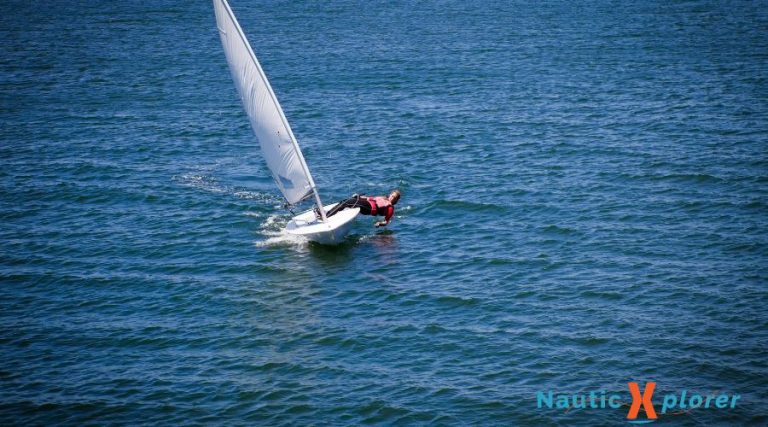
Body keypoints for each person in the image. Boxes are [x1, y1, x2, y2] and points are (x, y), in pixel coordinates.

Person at [320, 190, 401, 227]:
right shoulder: (383, 198)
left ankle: (325, 216)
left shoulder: (390, 207)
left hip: (368, 208)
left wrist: (379, 224)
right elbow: (370, 199)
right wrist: (359, 197)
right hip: (366, 203)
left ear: (396, 200)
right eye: (392, 195)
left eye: (394, 197)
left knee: (347, 203)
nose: (392, 198)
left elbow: (386, 222)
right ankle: (327, 213)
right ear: (390, 194)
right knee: (345, 201)